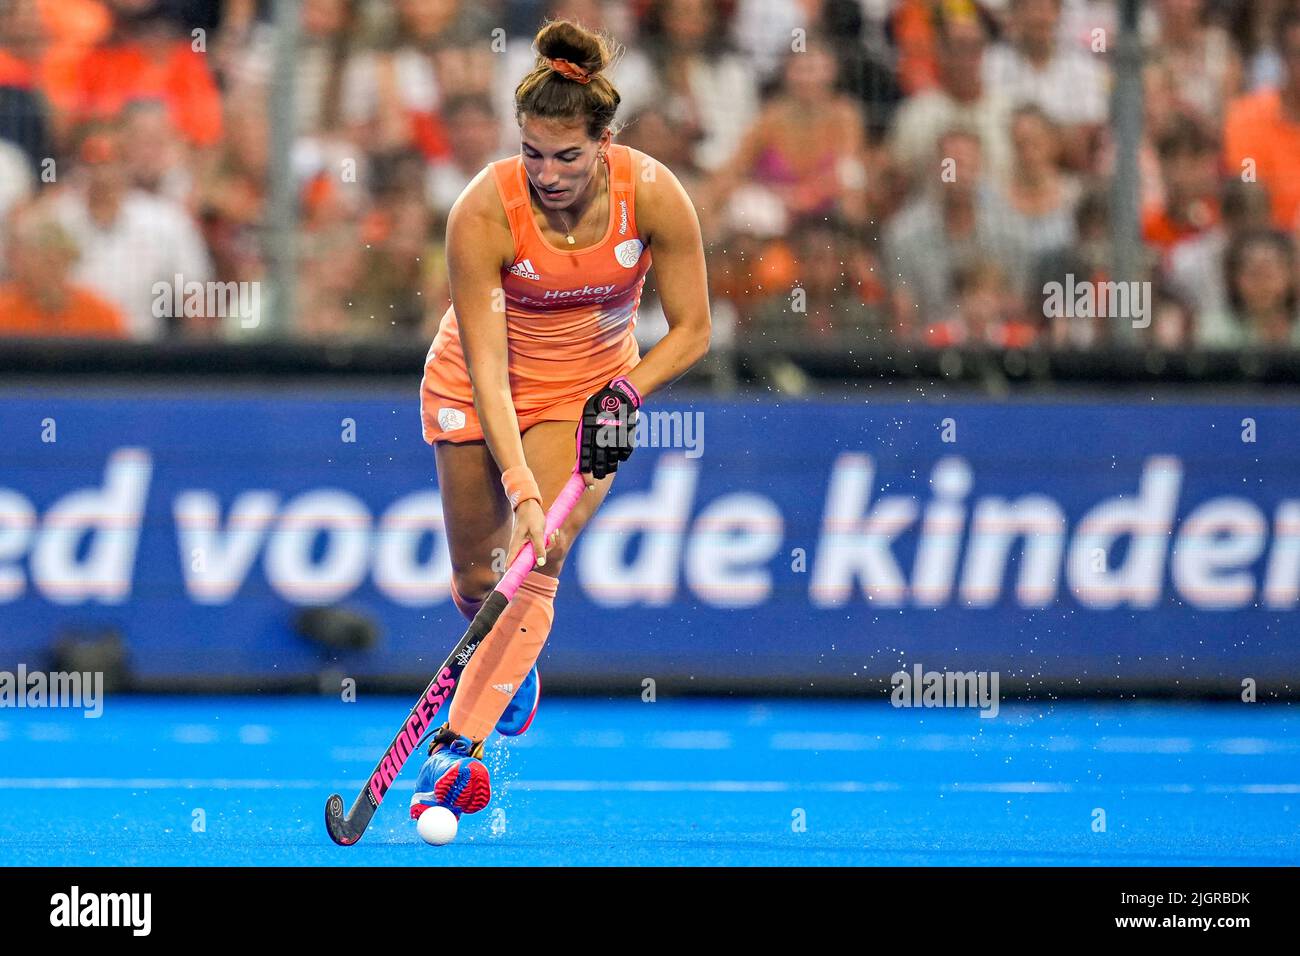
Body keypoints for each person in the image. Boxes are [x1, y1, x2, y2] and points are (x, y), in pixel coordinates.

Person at [411, 17, 711, 823]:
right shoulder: (482, 212)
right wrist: (521, 486)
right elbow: (488, 374)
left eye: (567, 156)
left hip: (586, 393)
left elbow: (693, 330)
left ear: (604, 142)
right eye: (532, 152)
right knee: (480, 581)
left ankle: (458, 750)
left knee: (537, 557)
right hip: (479, 388)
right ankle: (515, 670)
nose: (546, 172)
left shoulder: (652, 195)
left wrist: (628, 393)